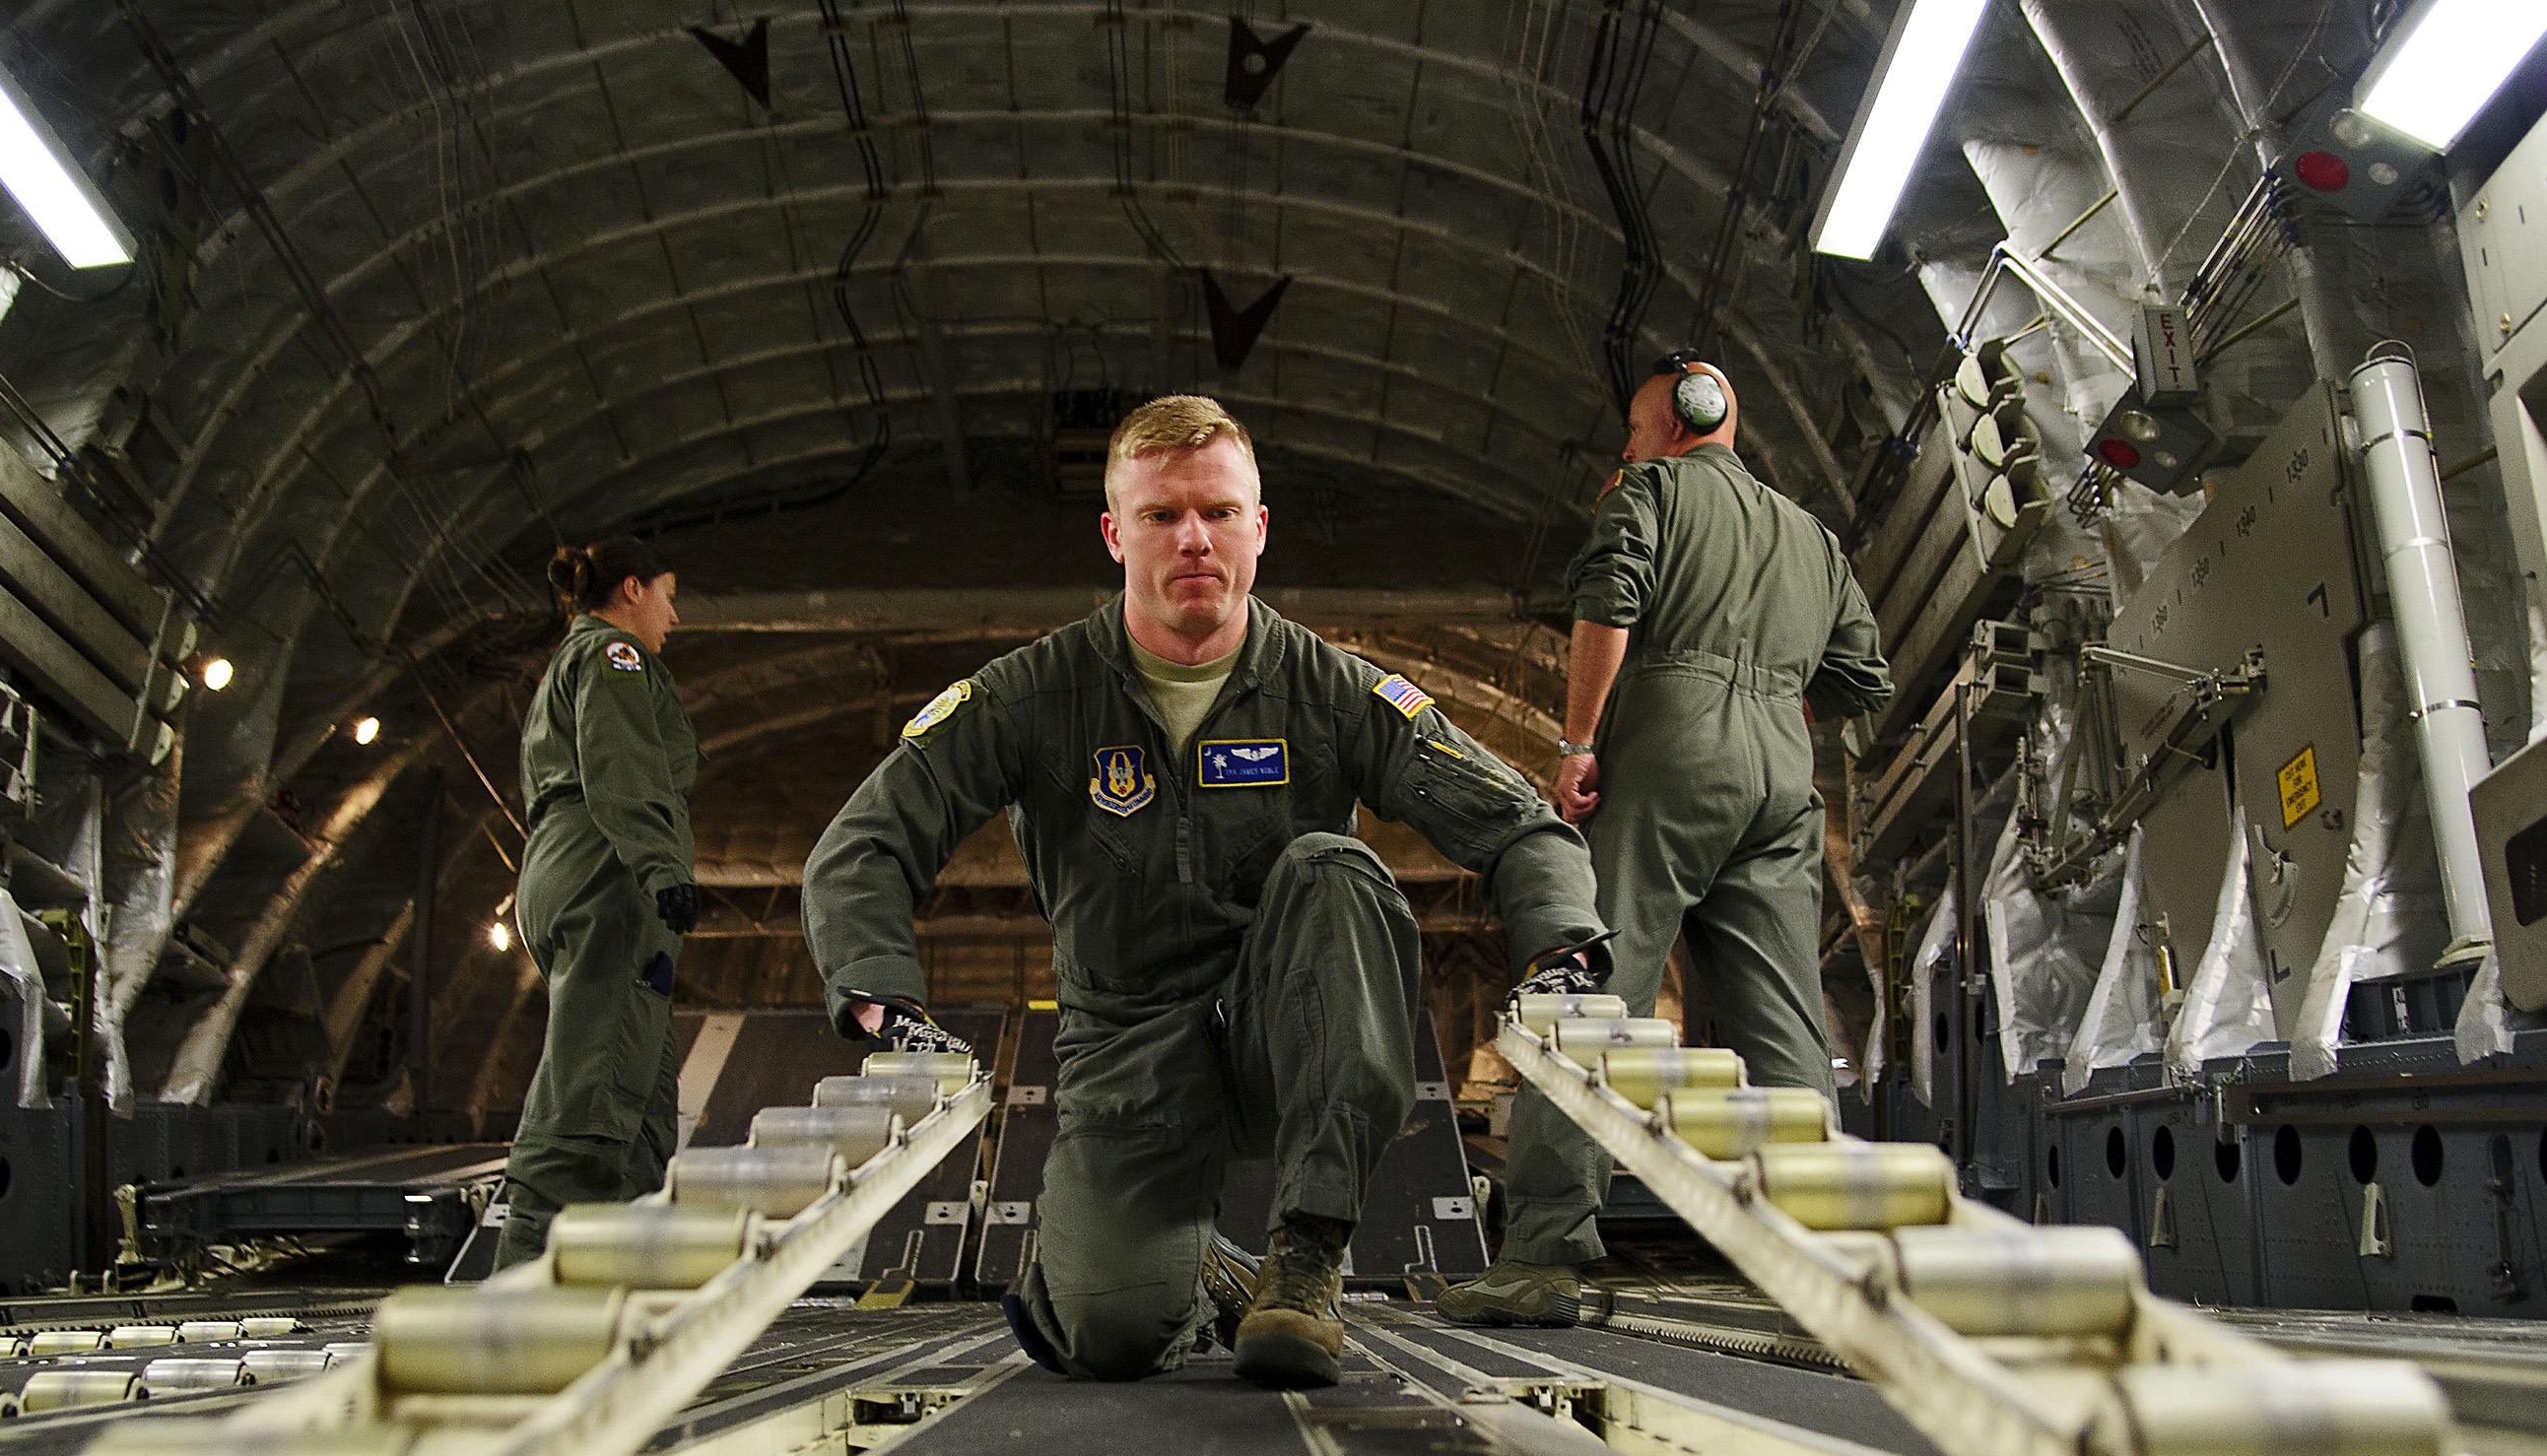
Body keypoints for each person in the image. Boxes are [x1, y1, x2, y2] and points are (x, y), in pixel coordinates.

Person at [803, 396, 1608, 1389]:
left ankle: (1306, 1257)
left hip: (1286, 1026)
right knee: (1107, 1334)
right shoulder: (1031, 696)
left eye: (1220, 512)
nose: (1194, 538)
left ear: (1258, 528)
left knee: (1333, 869)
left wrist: (1561, 950)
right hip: (1127, 1045)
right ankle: (1204, 1271)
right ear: (1115, 534)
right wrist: (885, 1001)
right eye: (1162, 514)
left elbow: (1520, 823)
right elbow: (865, 843)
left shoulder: (1331, 690)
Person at [1442, 355, 1892, 1327]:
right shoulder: (1812, 538)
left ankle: (1542, 1254)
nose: (1629, 447)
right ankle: (1823, 1260)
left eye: (1635, 430)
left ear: (1681, 419)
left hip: (1668, 752)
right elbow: (1863, 677)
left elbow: (1608, 599)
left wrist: (1577, 743)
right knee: (1785, 1018)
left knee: (1589, 995)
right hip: (1782, 777)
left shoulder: (1647, 492)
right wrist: (1773, 701)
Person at [495, 537, 703, 1269]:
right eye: (669, 595)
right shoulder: (614, 656)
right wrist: (661, 864)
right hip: (605, 872)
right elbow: (621, 759)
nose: (674, 616)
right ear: (633, 589)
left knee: (638, 1102)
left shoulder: (581, 659)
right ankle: (518, 1301)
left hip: (588, 866)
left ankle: (613, 1289)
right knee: (593, 1097)